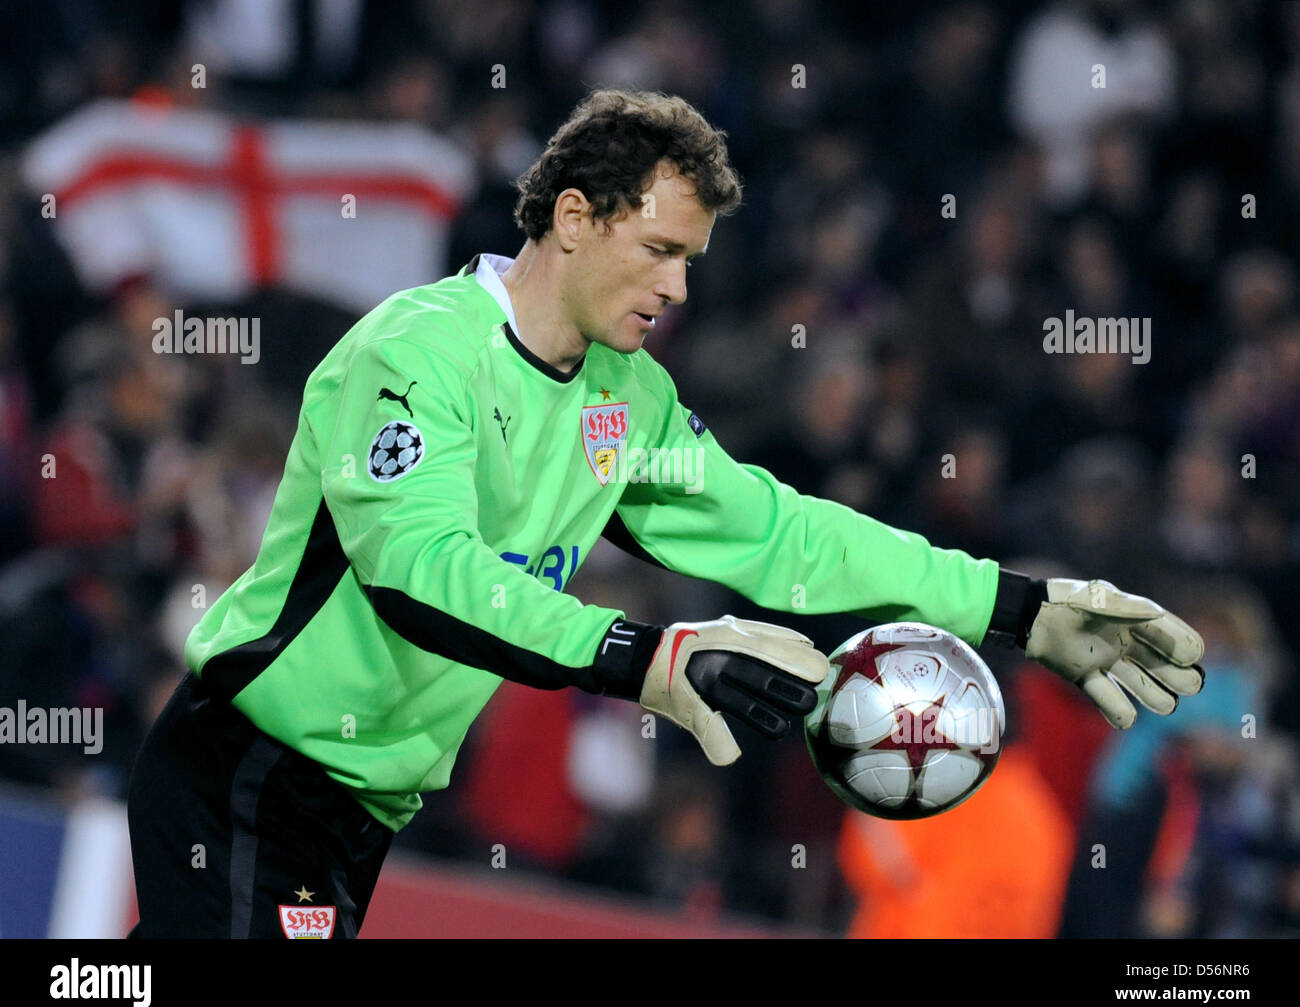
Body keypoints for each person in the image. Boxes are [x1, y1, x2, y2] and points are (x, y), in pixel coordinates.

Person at [126, 89, 1206, 939]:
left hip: (362, 810)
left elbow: (781, 532)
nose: (680, 287)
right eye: (659, 249)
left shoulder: (622, 395)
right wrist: (645, 655)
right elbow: (418, 569)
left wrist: (1014, 609)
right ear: (573, 217)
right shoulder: (416, 351)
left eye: (691, 259)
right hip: (253, 770)